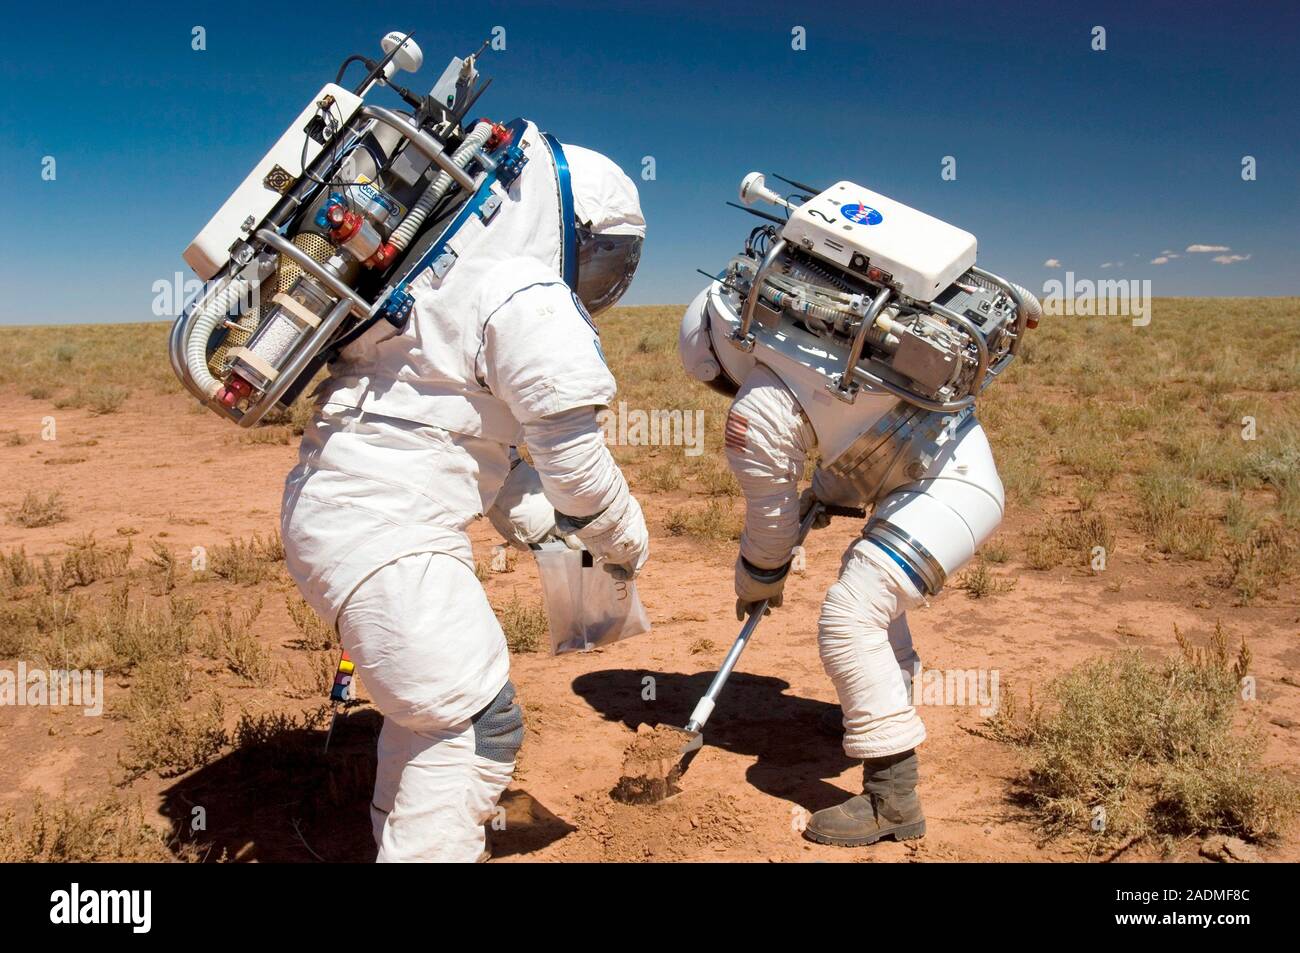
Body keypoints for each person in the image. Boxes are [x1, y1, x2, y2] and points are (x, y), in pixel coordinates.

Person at [282, 127, 647, 862]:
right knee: (480, 723)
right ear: (571, 229)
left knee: (431, 712)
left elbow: (479, 453)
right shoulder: (521, 287)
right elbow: (573, 460)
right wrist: (625, 542)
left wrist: (552, 532)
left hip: (340, 515)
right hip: (385, 532)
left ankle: (399, 836)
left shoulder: (440, 282)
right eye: (605, 254)